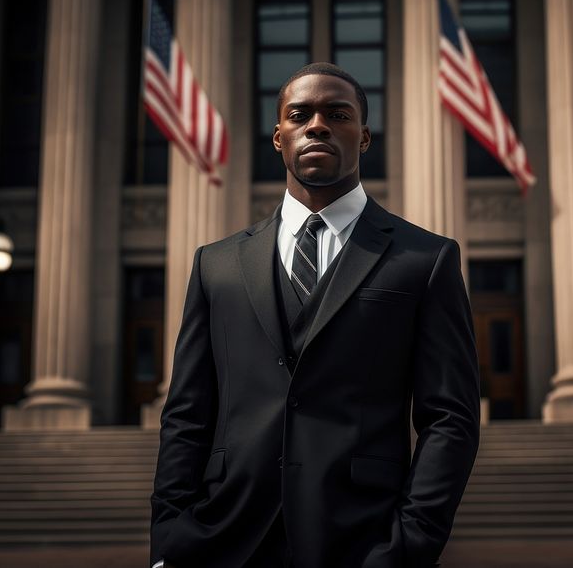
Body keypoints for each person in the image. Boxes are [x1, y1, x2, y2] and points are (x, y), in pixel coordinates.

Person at [151, 63, 480, 568]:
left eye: (338, 114)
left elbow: (450, 418)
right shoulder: (215, 264)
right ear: (279, 138)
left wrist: (409, 547)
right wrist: (170, 537)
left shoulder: (425, 260)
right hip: (222, 540)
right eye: (299, 115)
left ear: (364, 138)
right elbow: (187, 414)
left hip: (361, 540)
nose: (318, 125)